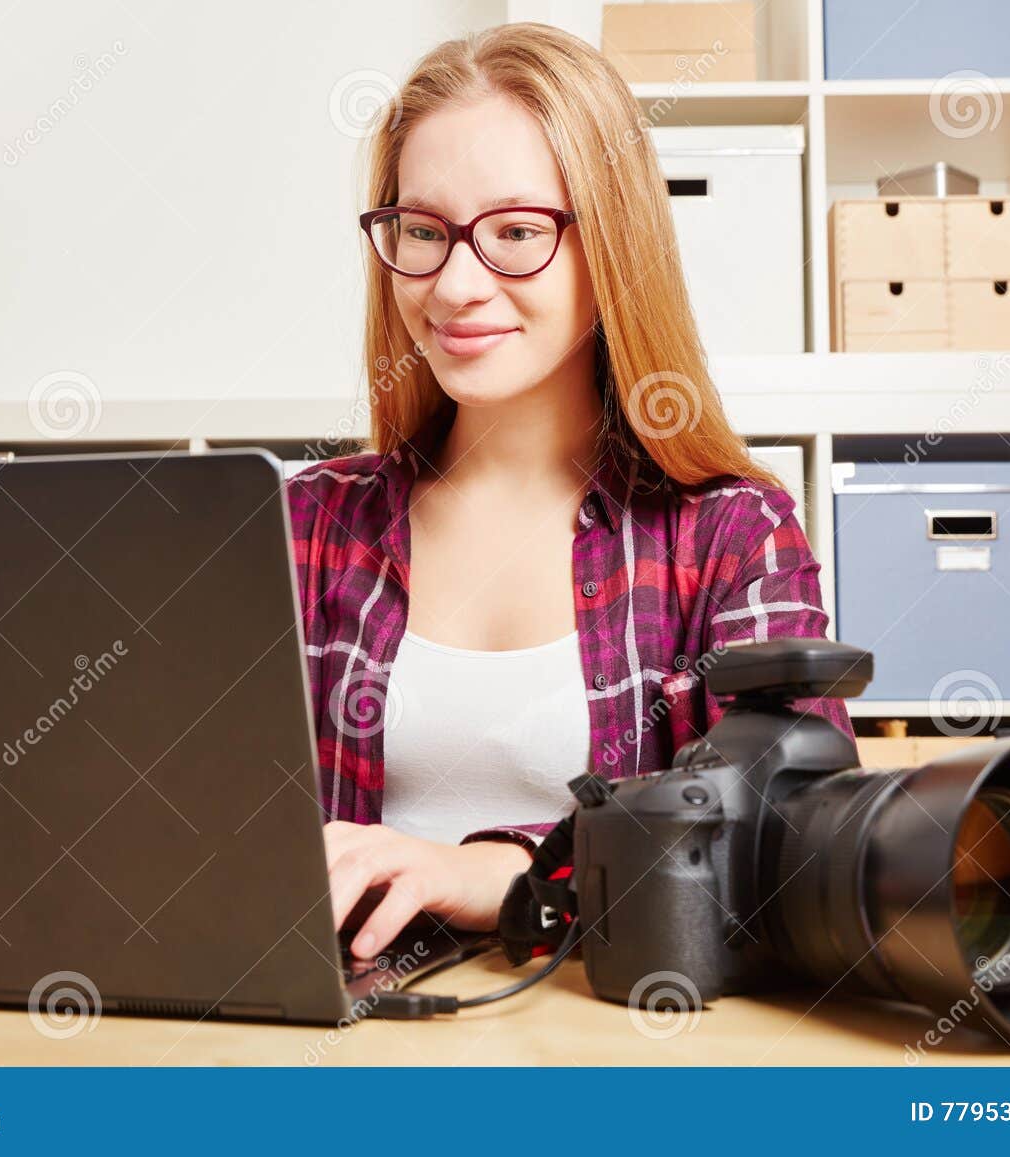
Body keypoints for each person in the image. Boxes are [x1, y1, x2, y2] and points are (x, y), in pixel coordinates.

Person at [287, 23, 852, 965]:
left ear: (614, 249)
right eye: (423, 232)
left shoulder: (730, 533)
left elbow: (792, 860)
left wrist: (502, 877)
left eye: (516, 233)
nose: (456, 284)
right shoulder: (308, 523)